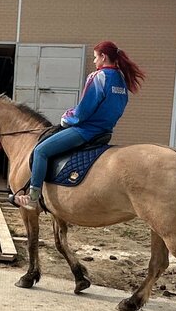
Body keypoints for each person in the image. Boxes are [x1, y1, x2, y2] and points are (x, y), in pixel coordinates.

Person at [15, 41, 145, 209]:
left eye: (95, 57)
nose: (94, 61)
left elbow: (84, 110)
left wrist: (67, 118)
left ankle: (33, 197)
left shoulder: (98, 77)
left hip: (85, 131)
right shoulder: (121, 80)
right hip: (105, 131)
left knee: (40, 151)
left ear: (103, 57)